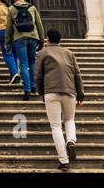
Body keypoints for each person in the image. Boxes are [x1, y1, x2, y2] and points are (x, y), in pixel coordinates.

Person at [34, 28, 84, 170]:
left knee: (55, 126)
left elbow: (38, 75)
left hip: (51, 91)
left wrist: (41, 92)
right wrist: (80, 94)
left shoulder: (43, 52)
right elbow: (77, 75)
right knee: (69, 119)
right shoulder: (69, 53)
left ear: (48, 39)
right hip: (70, 91)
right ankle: (71, 140)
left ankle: (64, 161)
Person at [9, 0, 46, 100]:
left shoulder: (11, 9)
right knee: (32, 62)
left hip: (19, 38)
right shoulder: (32, 7)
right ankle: (34, 86)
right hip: (33, 37)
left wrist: (7, 41)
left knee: (24, 64)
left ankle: (27, 90)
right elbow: (39, 24)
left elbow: (9, 28)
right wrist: (42, 39)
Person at [0, 0, 20, 84]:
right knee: (15, 55)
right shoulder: (12, 8)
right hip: (14, 33)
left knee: (7, 54)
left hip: (3, 32)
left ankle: (15, 73)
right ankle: (14, 75)